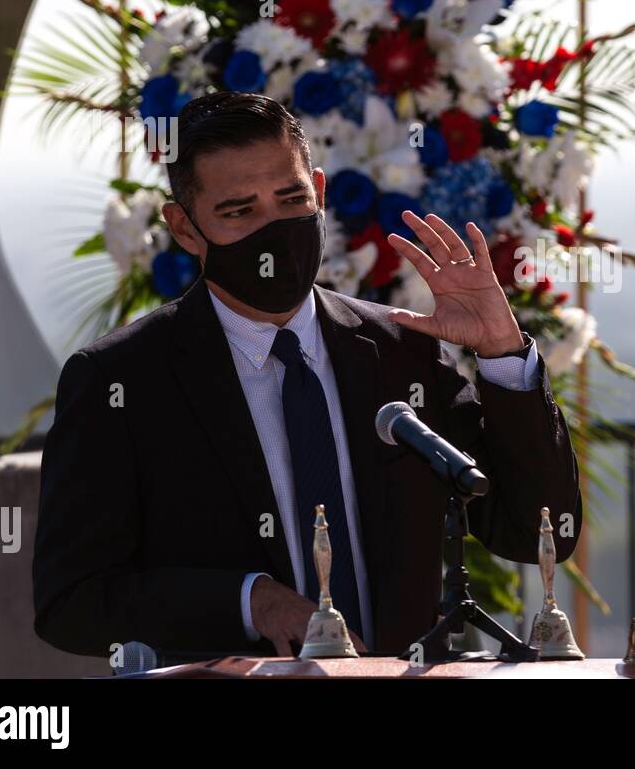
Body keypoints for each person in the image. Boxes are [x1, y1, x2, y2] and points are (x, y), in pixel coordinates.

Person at [33, 91, 581, 659]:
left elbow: (538, 530)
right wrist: (250, 600)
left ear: (319, 192)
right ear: (185, 228)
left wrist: (503, 354)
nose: (274, 228)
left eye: (291, 198)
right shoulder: (120, 381)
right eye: (239, 211)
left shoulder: (402, 351)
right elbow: (70, 602)